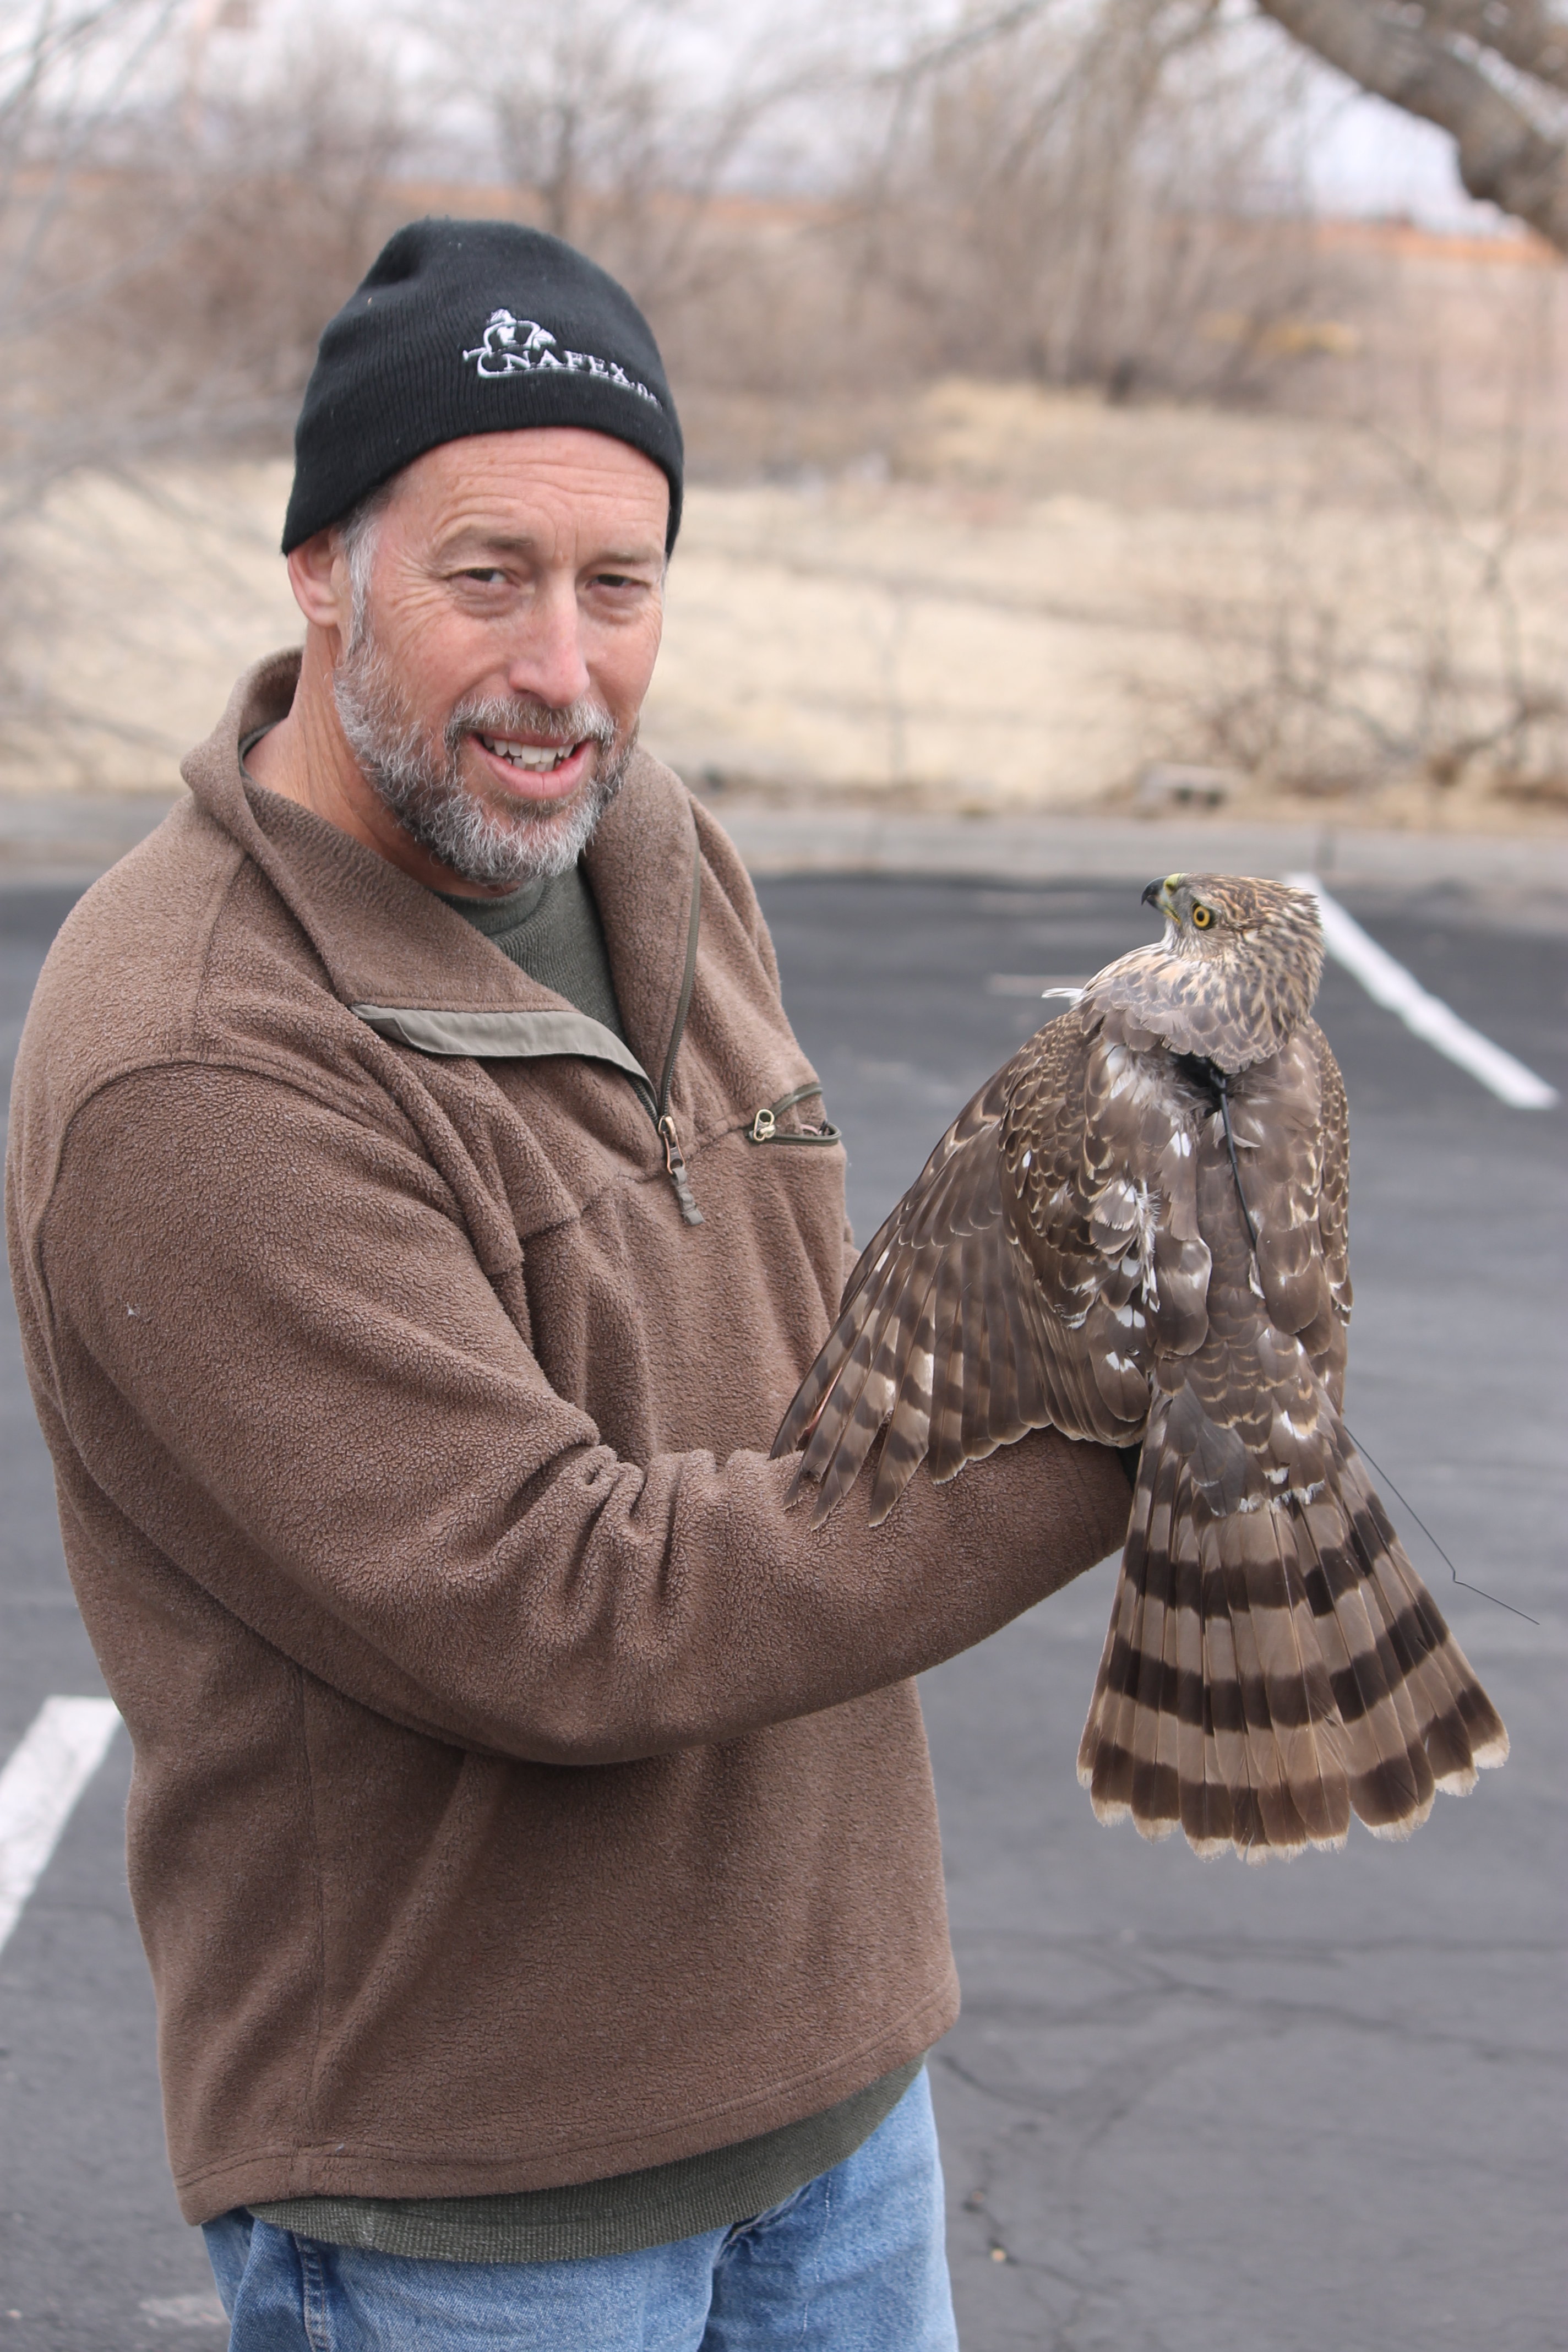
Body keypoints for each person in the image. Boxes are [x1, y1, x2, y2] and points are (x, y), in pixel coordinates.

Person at [6, 218, 1131, 2350]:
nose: (563, 670)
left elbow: (827, 1370)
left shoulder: (657, 856)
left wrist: (1119, 1226)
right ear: (321, 570)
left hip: (841, 2114)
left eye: (620, 587)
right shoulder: (192, 1052)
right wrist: (1110, 1432)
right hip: (474, 2216)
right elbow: (567, 1603)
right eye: (488, 575)